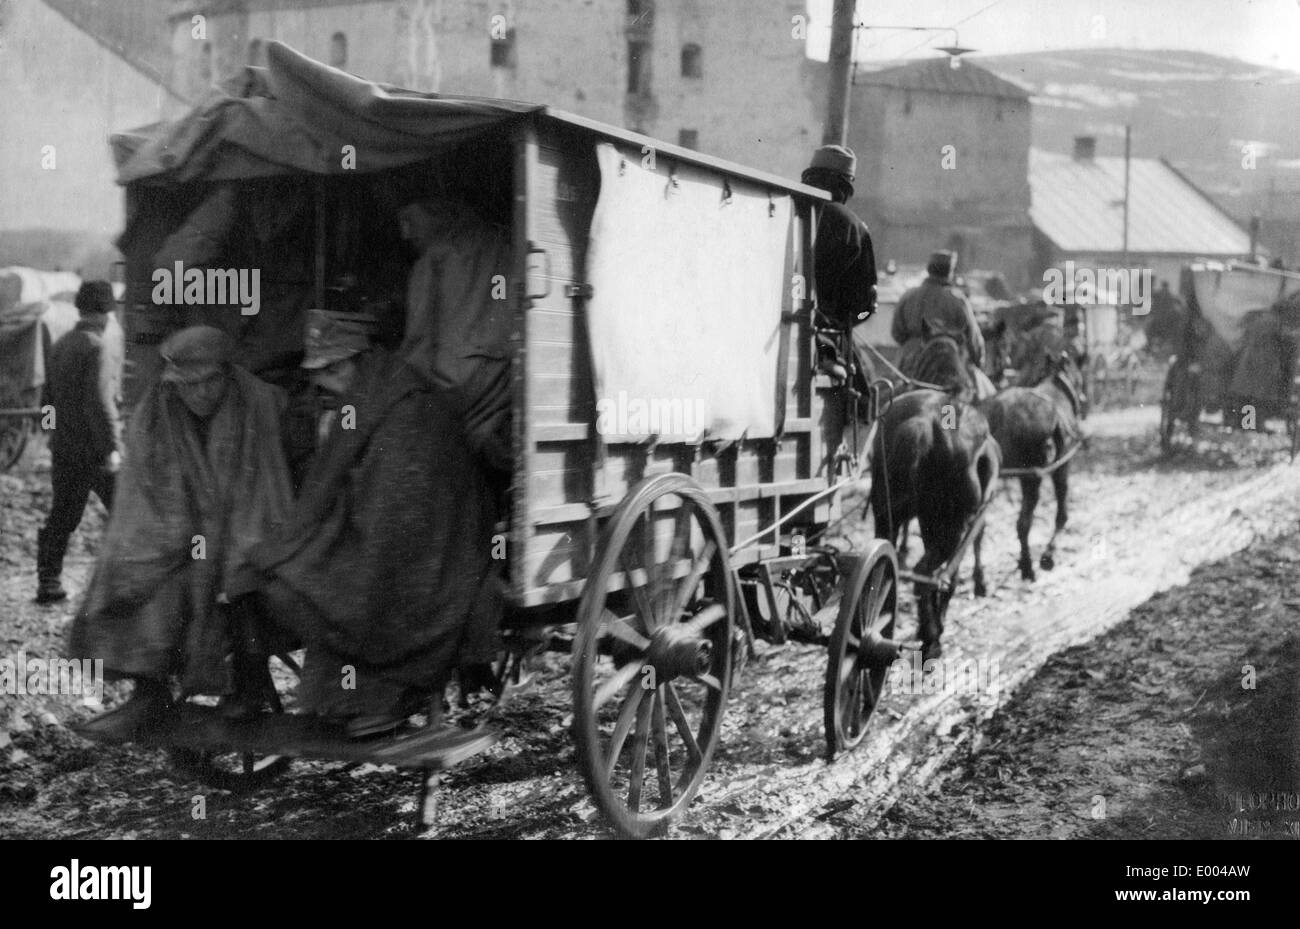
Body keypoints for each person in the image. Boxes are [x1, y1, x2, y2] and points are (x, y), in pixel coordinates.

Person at [253, 310, 503, 739]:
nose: (327, 382)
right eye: (321, 372)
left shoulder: (407, 406)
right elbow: (345, 474)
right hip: (387, 527)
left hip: (438, 539)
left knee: (362, 585)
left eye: (334, 369)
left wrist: (339, 533)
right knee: (327, 578)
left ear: (361, 359)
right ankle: (342, 699)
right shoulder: (367, 396)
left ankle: (389, 700)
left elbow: (399, 502)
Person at [70, 326, 295, 735]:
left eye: (211, 382)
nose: (202, 394)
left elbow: (259, 498)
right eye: (189, 386)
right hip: (183, 535)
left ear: (228, 374)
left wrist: (221, 552)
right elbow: (149, 495)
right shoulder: (157, 412)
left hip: (241, 533)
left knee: (236, 583)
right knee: (129, 574)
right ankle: (148, 693)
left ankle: (248, 686)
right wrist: (167, 546)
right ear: (173, 384)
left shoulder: (256, 404)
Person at [398, 194, 512, 474]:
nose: (405, 234)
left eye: (409, 221)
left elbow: (418, 338)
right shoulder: (504, 242)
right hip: (503, 376)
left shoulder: (433, 258)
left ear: (438, 215)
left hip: (451, 384)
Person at [36, 281, 124, 604]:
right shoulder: (97, 346)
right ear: (106, 314)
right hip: (95, 453)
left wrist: (51, 435)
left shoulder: (61, 345)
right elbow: (101, 404)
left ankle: (48, 582)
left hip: (64, 450)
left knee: (62, 516)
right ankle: (121, 586)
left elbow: (47, 400)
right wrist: (112, 447)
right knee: (125, 513)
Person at [800, 145, 878, 384]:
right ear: (846, 187)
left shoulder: (784, 207)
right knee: (864, 394)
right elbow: (864, 301)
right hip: (823, 337)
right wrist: (857, 316)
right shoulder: (853, 226)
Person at [892, 250, 997, 399]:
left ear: (929, 269)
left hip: (909, 363)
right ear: (950, 272)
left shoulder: (908, 296)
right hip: (949, 363)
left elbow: (896, 333)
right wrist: (977, 362)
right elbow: (974, 339)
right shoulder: (957, 299)